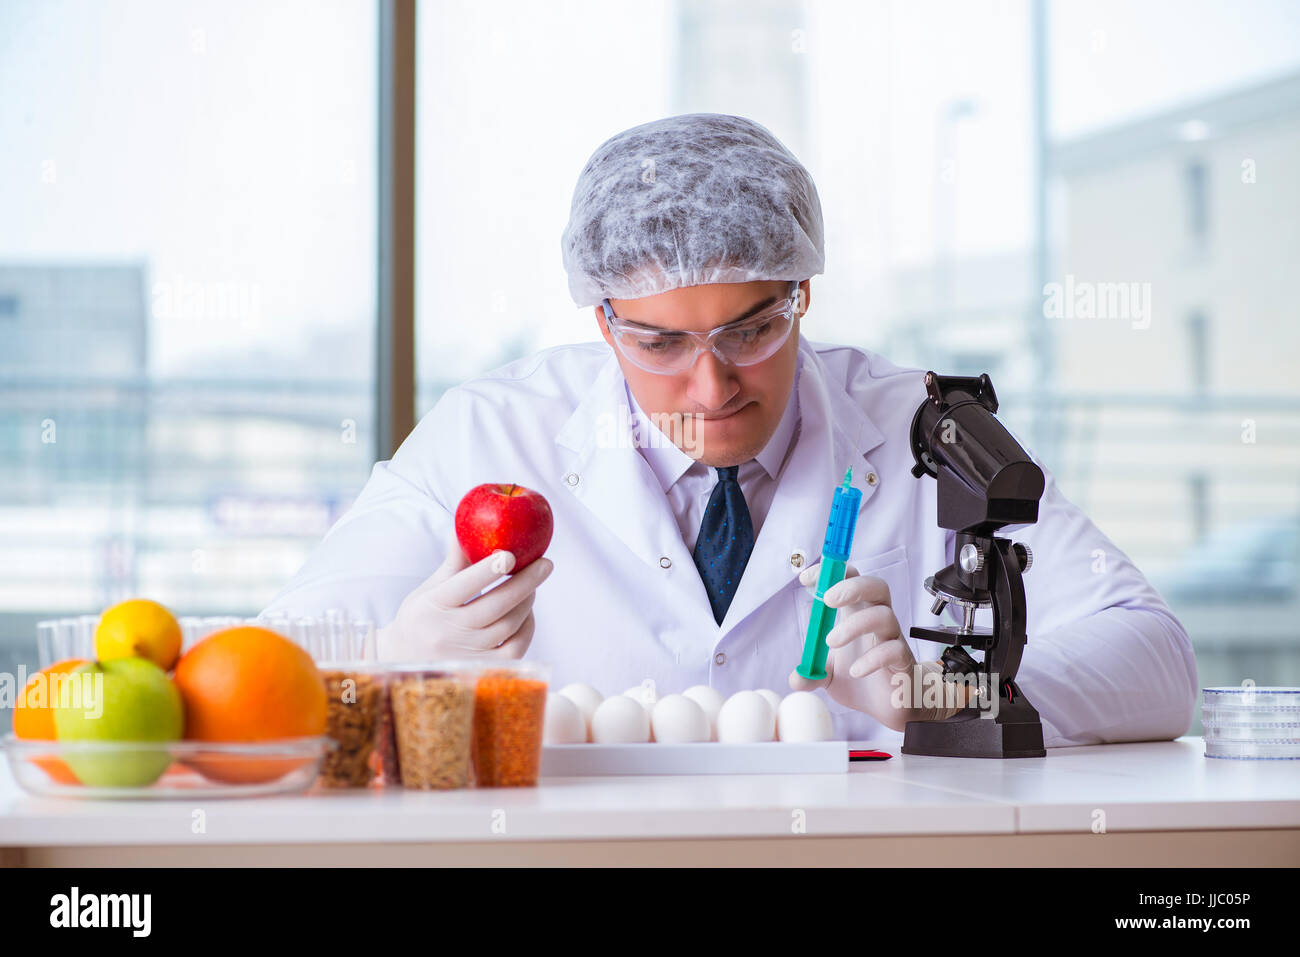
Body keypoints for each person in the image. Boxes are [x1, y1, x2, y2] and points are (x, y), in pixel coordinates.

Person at [262, 113, 1198, 747]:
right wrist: (393, 661)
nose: (710, 387)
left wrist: (937, 699)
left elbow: (1155, 653)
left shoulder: (922, 423)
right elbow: (266, 672)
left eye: (752, 328)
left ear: (802, 294)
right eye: (661, 340)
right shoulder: (489, 436)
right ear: (603, 321)